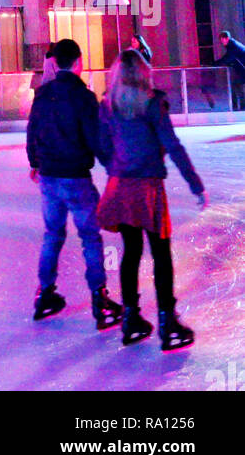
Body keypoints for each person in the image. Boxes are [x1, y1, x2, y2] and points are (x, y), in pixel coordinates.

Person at [97, 48, 207, 350]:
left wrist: (116, 167)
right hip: (147, 189)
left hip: (121, 187)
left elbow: (101, 144)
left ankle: (131, 319)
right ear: (144, 72)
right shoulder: (154, 103)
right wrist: (196, 184)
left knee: (131, 252)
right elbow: (172, 145)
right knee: (160, 254)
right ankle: (167, 322)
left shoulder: (108, 105)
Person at [26, 37, 122, 331]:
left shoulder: (42, 94)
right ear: (78, 62)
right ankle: (99, 297)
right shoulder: (84, 97)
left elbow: (33, 130)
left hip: (49, 177)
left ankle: (44, 295)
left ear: (54, 62)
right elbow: (95, 138)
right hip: (76, 178)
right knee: (90, 237)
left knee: (52, 234)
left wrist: (34, 162)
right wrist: (113, 167)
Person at [216, 30, 245, 111]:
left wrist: (215, 63)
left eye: (222, 40)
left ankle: (240, 106)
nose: (222, 42)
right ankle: (238, 106)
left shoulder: (233, 46)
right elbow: (228, 57)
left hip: (243, 70)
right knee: (236, 86)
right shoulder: (231, 45)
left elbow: (228, 58)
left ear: (227, 38)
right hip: (241, 69)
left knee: (238, 86)